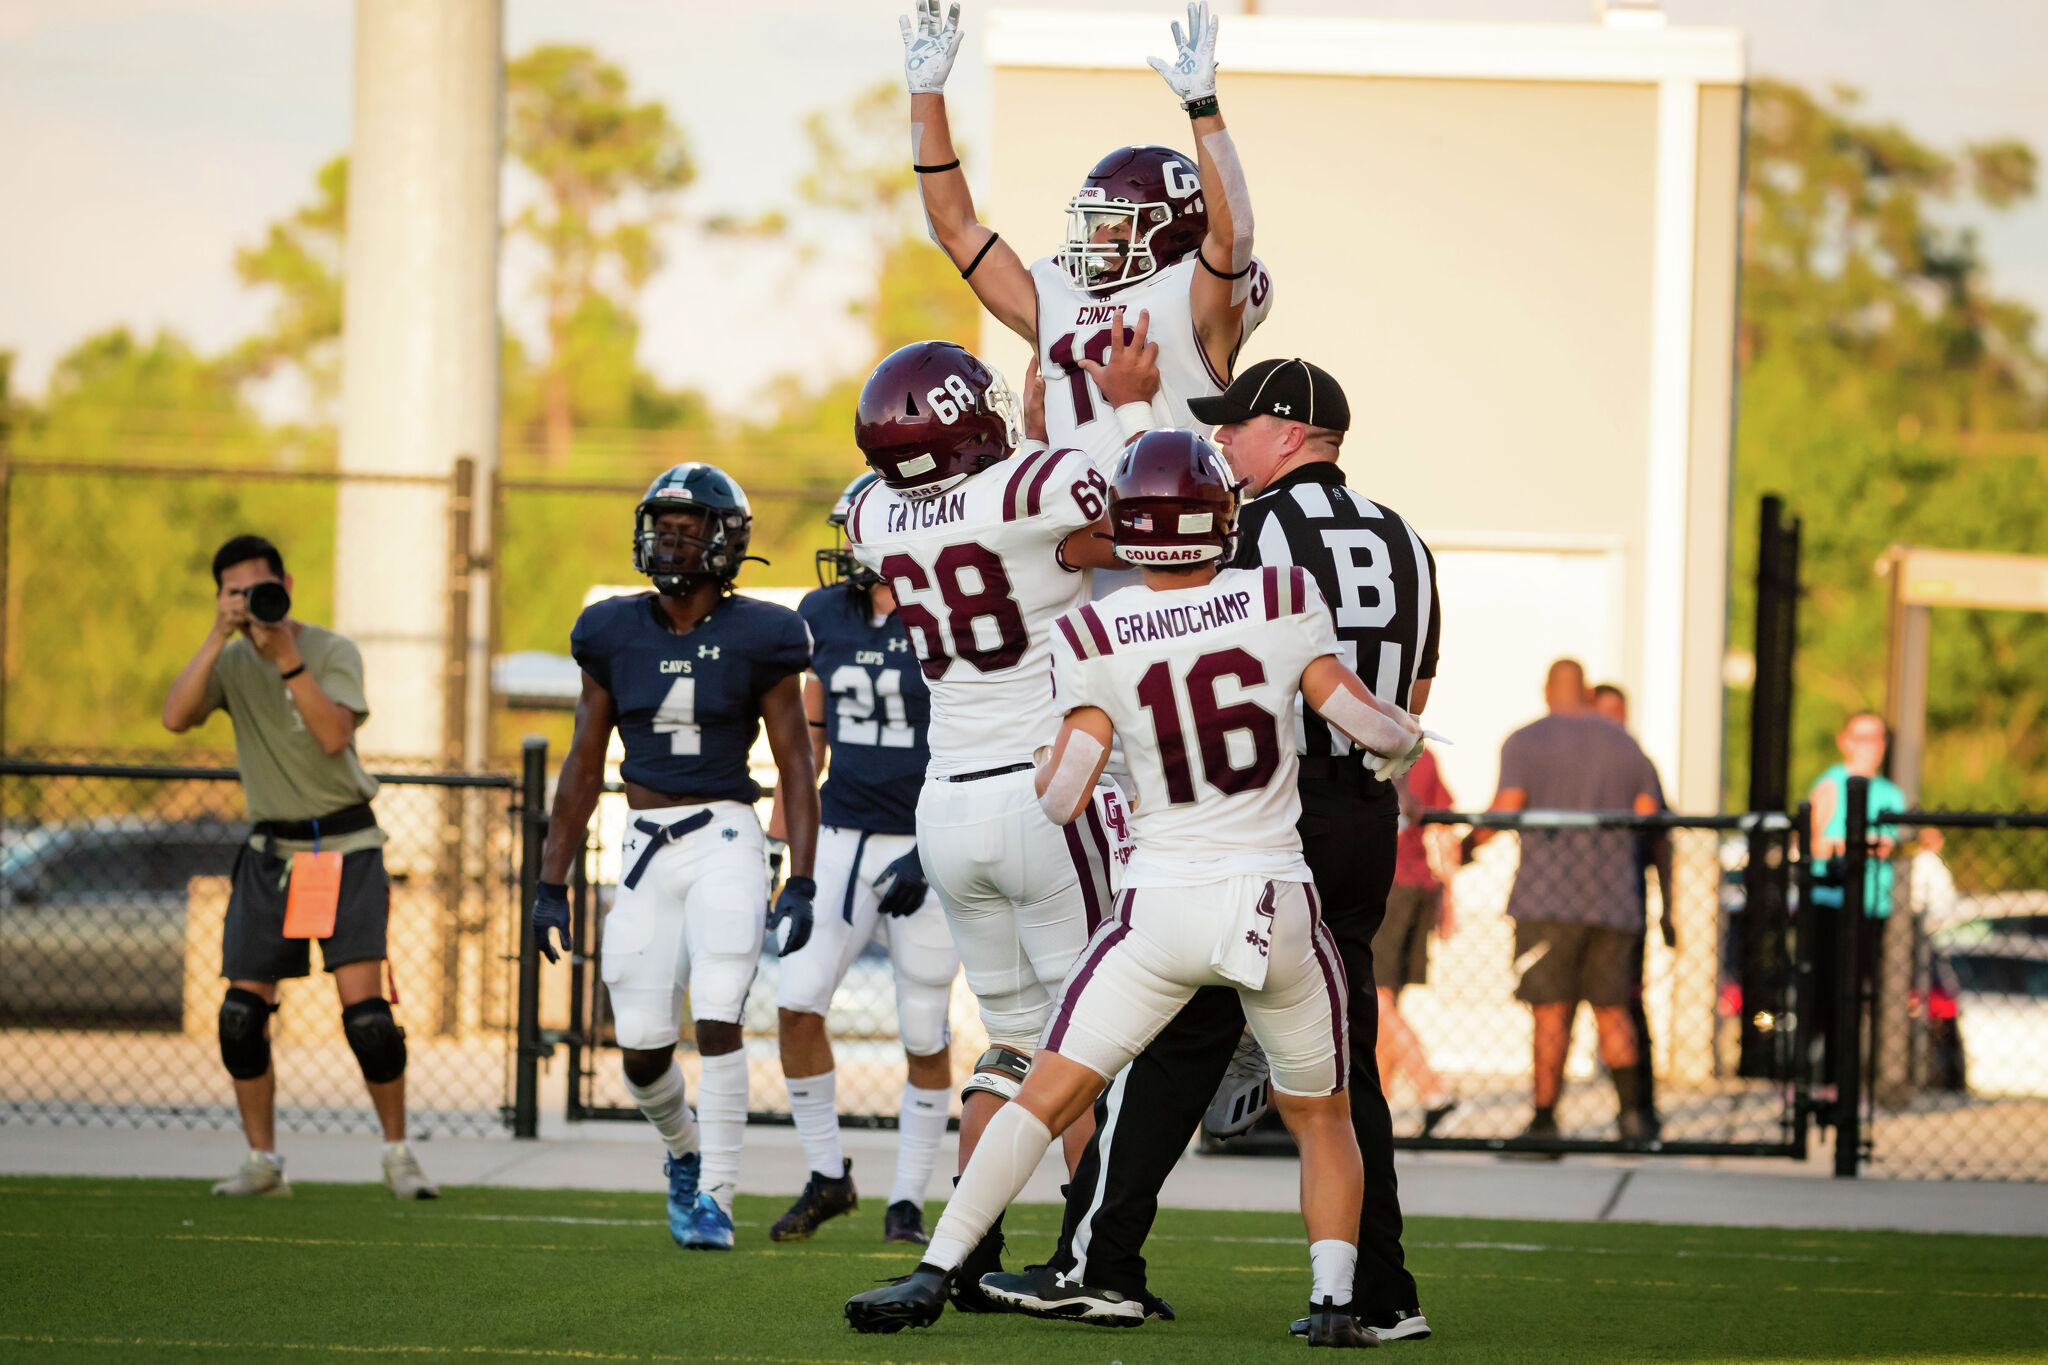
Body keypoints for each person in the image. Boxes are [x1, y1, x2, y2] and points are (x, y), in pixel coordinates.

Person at [845, 429, 1426, 1345]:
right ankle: (1333, 1302)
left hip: (1159, 910)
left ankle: (933, 1269)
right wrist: (1405, 740)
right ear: (1223, 518)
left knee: (1044, 1093)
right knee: (1323, 1115)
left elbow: (1067, 787)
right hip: (1273, 901)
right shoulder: (1280, 596)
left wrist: (1055, 756)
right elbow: (1370, 726)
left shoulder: (1092, 628)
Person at [997, 356, 1443, 1343]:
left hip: (1266, 815)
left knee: (1170, 1037)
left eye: (1235, 430)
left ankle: (1096, 1262)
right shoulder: (1403, 537)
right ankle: (1378, 1290)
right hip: (1364, 812)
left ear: (1287, 434)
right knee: (1338, 1056)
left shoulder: (1259, 533)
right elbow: (1407, 695)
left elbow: (1196, 644)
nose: (1221, 451)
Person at [844, 337, 1130, 1311]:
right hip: (1042, 791)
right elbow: (1132, 537)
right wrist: (1097, 419)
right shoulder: (1039, 483)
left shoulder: (873, 513)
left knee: (1009, 1038)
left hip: (945, 800)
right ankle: (1084, 1260)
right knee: (1086, 1039)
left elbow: (961, 516)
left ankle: (966, 1249)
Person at [530, 464, 819, 1251]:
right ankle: (685, 1154)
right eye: (664, 523)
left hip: (727, 836)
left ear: (725, 540)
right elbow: (584, 760)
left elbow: (795, 760)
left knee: (720, 1013)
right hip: (642, 847)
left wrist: (800, 875)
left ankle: (718, 1198)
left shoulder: (763, 632)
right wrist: (550, 880)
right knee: (642, 1050)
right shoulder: (611, 629)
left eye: (689, 526)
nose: (671, 537)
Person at [161, 534, 435, 1200]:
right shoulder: (228, 660)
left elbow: (335, 735)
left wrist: (286, 658)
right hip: (271, 856)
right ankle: (263, 1164)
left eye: (260, 589)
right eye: (235, 592)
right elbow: (175, 717)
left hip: (345, 848)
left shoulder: (331, 650)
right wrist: (216, 634)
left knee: (367, 1017)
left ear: (284, 582)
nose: (253, 601)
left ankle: (399, 1155)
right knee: (239, 1016)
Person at [899, 0, 1274, 479]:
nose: (1095, 238)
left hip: (1169, 522)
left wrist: (1203, 108)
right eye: (1091, 222)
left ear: (1170, 227)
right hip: (1068, 532)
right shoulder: (1055, 290)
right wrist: (926, 92)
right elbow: (954, 227)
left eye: (1114, 225)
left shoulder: (1196, 300)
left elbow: (1233, 233)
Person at [766, 473, 958, 1246]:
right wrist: (787, 855)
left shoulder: (950, 611)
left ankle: (907, 1198)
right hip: (841, 834)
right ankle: (826, 1173)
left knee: (923, 1028)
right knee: (796, 996)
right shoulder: (819, 615)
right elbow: (807, 741)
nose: (850, 542)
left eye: (864, 526)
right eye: (849, 527)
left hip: (928, 839)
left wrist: (935, 847)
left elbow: (971, 734)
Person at [1472, 660, 1662, 1145]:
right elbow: (1648, 812)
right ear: (1585, 690)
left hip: (1547, 898)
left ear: (1547, 690)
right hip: (1615, 896)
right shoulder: (1625, 742)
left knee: (1550, 1011)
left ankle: (1544, 1122)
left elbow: (1508, 805)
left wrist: (1468, 844)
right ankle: (1632, 1120)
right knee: (1613, 1009)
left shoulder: (1526, 739)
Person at [1589, 682, 1674, 1139]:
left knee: (1626, 1006)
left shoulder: (1639, 765)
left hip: (1625, 905)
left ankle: (1640, 1109)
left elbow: (1660, 839)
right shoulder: (1577, 764)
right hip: (1573, 904)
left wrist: (1670, 909)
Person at [1376, 746, 1459, 1136]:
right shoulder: (1420, 755)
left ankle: (1434, 1092)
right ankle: (1379, 1109)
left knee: (1373, 999)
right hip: (1416, 884)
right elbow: (1444, 830)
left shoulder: (1384, 751)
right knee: (1384, 1003)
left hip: (1389, 886)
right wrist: (1449, 893)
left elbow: (1438, 824)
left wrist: (1450, 897)